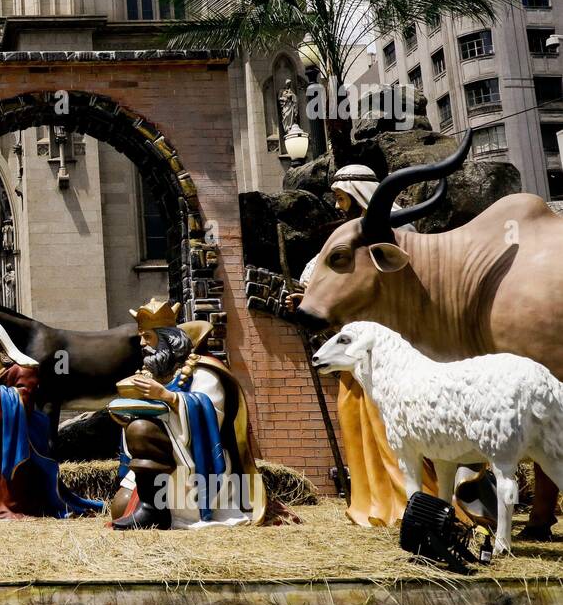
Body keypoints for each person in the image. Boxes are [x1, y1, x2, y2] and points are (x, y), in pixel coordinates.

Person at [285, 165, 436, 527]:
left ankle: (414, 502)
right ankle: (372, 503)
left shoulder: (397, 231)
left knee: (389, 425)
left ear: (359, 195)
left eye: (342, 198)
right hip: (353, 354)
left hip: (386, 350)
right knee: (354, 419)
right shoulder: (343, 237)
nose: (338, 207)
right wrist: (305, 300)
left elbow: (396, 287)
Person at [108, 299, 267, 530]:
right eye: (141, 337)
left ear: (167, 340)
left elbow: (212, 411)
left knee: (140, 429)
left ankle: (156, 512)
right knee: (119, 507)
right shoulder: (151, 374)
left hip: (193, 455)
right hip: (156, 454)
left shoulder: (201, 370)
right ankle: (149, 503)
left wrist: (167, 397)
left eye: (148, 337)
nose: (142, 344)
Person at [0, 322, 102, 519]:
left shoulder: (22, 369)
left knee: (11, 464)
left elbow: (23, 401)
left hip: (19, 435)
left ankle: (10, 507)